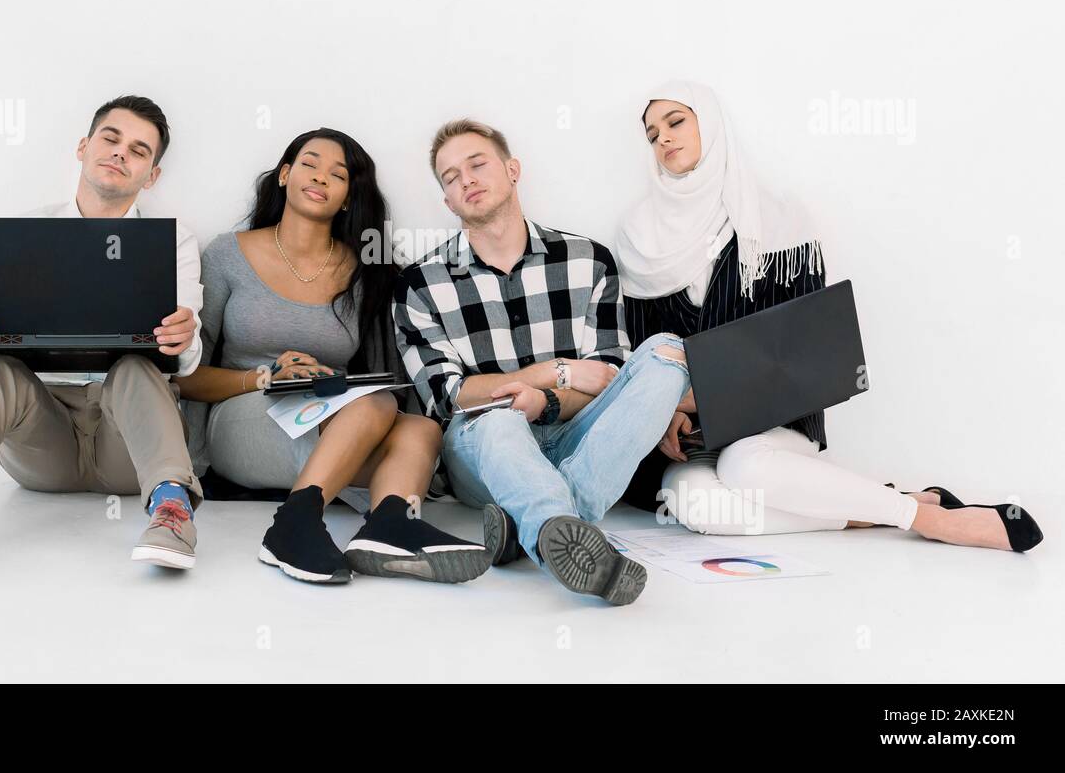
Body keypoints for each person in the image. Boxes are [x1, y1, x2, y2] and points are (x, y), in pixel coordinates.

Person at [617, 80, 1042, 553]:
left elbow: (804, 346)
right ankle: (891, 507)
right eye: (652, 135)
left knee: (746, 467)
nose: (664, 140)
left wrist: (712, 397)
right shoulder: (639, 238)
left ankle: (932, 521)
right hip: (690, 437)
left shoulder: (778, 221)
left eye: (676, 122)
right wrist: (667, 411)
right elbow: (641, 351)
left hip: (775, 422)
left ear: (712, 125)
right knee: (697, 506)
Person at [0, 95, 206, 569]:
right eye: (111, 139)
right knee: (2, 370)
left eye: (138, 150)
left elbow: (187, 359)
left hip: (130, 447)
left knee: (137, 364)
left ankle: (172, 511)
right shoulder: (26, 232)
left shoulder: (174, 239)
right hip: (43, 443)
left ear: (151, 175)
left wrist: (184, 337)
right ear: (83, 147)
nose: (119, 153)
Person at [393, 119, 695, 606]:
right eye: (451, 177)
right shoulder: (420, 285)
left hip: (575, 432)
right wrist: (549, 374)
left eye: (477, 164)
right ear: (447, 202)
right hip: (482, 450)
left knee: (666, 351)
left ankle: (534, 523)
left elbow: (610, 380)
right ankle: (564, 527)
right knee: (500, 419)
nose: (466, 180)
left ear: (513, 170)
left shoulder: (588, 260)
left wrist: (548, 403)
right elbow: (448, 396)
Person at [176, 128, 492, 585]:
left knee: (420, 428)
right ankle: (293, 525)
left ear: (347, 198)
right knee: (377, 405)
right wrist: (266, 377)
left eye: (338, 174)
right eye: (309, 164)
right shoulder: (228, 254)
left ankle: (389, 526)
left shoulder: (366, 270)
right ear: (284, 175)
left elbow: (390, 372)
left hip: (336, 413)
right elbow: (186, 376)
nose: (321, 177)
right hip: (244, 413)